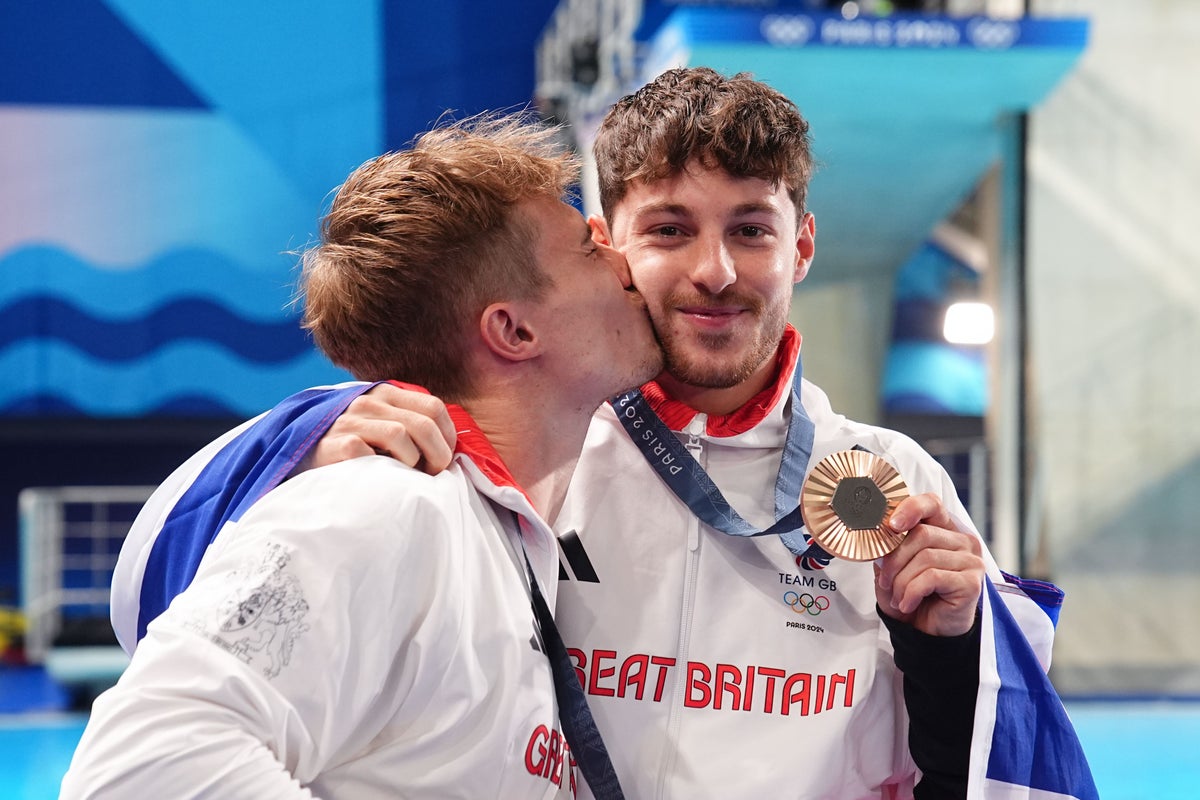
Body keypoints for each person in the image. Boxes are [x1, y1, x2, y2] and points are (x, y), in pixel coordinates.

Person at [111, 68, 1096, 799]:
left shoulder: (891, 479)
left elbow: (989, 759)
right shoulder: (467, 469)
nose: (715, 270)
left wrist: (950, 646)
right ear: (611, 244)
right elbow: (180, 644)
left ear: (800, 243)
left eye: (751, 227)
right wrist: (300, 441)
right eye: (668, 228)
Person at [61, 114, 663, 798]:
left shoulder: (493, 536)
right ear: (514, 329)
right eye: (588, 252)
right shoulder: (386, 508)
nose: (625, 263)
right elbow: (141, 766)